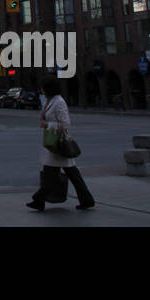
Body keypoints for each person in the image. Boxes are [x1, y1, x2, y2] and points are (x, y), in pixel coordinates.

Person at [28, 78, 94, 211]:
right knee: (72, 175)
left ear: (49, 89)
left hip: (58, 143)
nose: (41, 90)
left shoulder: (59, 102)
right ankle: (87, 200)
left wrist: (48, 124)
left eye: (43, 88)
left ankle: (38, 200)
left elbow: (65, 124)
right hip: (52, 142)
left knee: (51, 176)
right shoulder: (49, 101)